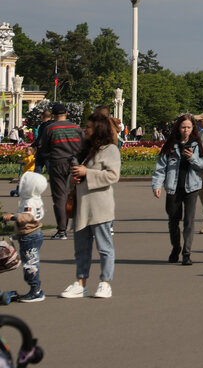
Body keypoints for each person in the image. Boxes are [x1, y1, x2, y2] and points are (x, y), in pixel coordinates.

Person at [61, 112, 121, 299]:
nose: (84, 130)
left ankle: (105, 282)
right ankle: (81, 282)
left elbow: (113, 176)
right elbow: (78, 175)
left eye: (88, 127)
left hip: (100, 206)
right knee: (81, 248)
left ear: (98, 129)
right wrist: (76, 176)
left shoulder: (110, 150)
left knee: (104, 247)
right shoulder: (84, 150)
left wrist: (88, 172)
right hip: (82, 206)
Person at [150, 114, 203, 265]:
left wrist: (192, 158)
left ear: (193, 128)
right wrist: (157, 185)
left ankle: (187, 253)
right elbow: (161, 167)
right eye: (183, 127)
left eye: (189, 127)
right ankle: (176, 248)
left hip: (191, 187)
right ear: (178, 128)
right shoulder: (170, 145)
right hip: (173, 187)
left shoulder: (196, 144)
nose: (186, 130)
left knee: (189, 221)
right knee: (173, 220)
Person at [37, 103, 82, 239]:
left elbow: (43, 148)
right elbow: (83, 146)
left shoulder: (50, 128)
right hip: (75, 164)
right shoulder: (76, 128)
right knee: (78, 195)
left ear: (53, 115)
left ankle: (62, 230)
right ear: (67, 113)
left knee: (60, 197)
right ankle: (82, 228)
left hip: (57, 163)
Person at [2, 171, 48, 302]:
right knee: (31, 262)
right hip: (33, 235)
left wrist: (13, 216)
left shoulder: (29, 202)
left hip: (30, 237)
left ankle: (36, 291)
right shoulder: (35, 198)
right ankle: (35, 289)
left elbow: (27, 217)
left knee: (30, 265)